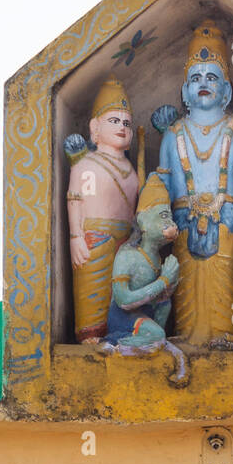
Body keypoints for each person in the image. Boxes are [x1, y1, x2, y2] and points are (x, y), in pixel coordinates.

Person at [154, 20, 233, 347]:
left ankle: (227, 333)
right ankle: (187, 335)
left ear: (226, 91)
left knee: (224, 275)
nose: (203, 84)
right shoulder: (173, 136)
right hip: (184, 221)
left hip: (226, 218)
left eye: (212, 77)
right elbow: (162, 191)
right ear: (185, 89)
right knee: (184, 281)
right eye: (195, 78)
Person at [66, 77, 139, 342]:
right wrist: (75, 236)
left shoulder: (131, 171)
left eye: (126, 122)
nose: (121, 126)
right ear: (95, 127)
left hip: (124, 244)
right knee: (92, 293)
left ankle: (118, 335)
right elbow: (75, 199)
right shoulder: (87, 164)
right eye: (114, 120)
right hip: (93, 240)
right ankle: (90, 336)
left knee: (120, 296)